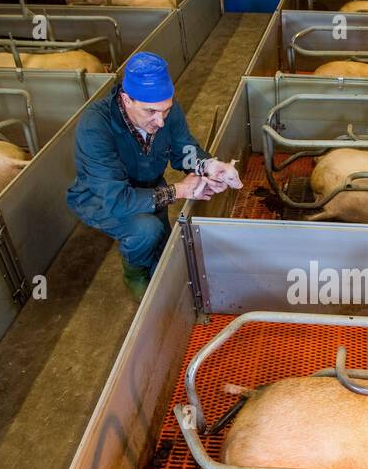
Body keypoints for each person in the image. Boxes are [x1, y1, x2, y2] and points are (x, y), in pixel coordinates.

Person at [67, 51, 241, 297]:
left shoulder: (165, 109)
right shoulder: (95, 126)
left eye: (166, 111)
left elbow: (183, 148)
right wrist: (179, 190)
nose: (160, 122)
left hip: (150, 187)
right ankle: (134, 273)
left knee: (164, 254)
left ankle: (148, 261)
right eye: (151, 112)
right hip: (102, 198)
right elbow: (116, 198)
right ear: (127, 100)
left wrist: (209, 166)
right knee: (145, 231)